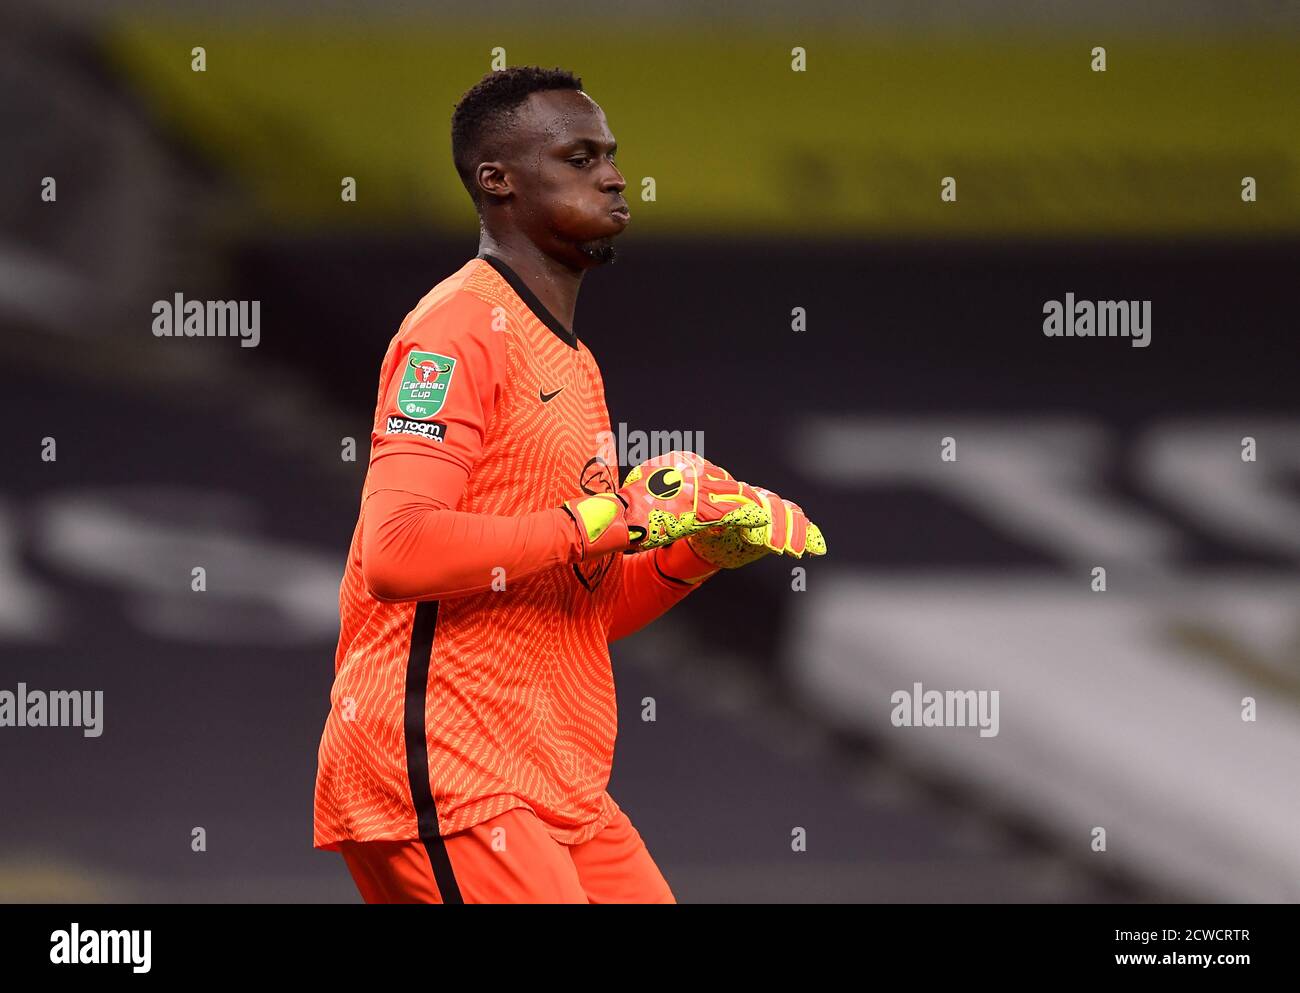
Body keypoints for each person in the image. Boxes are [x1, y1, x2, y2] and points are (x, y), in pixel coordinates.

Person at [313, 65, 824, 904]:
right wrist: (615, 513)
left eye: (612, 156)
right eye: (580, 158)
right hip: (452, 768)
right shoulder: (458, 327)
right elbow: (396, 554)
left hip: (556, 780)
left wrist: (693, 551)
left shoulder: (574, 362)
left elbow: (573, 606)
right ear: (497, 180)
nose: (615, 175)